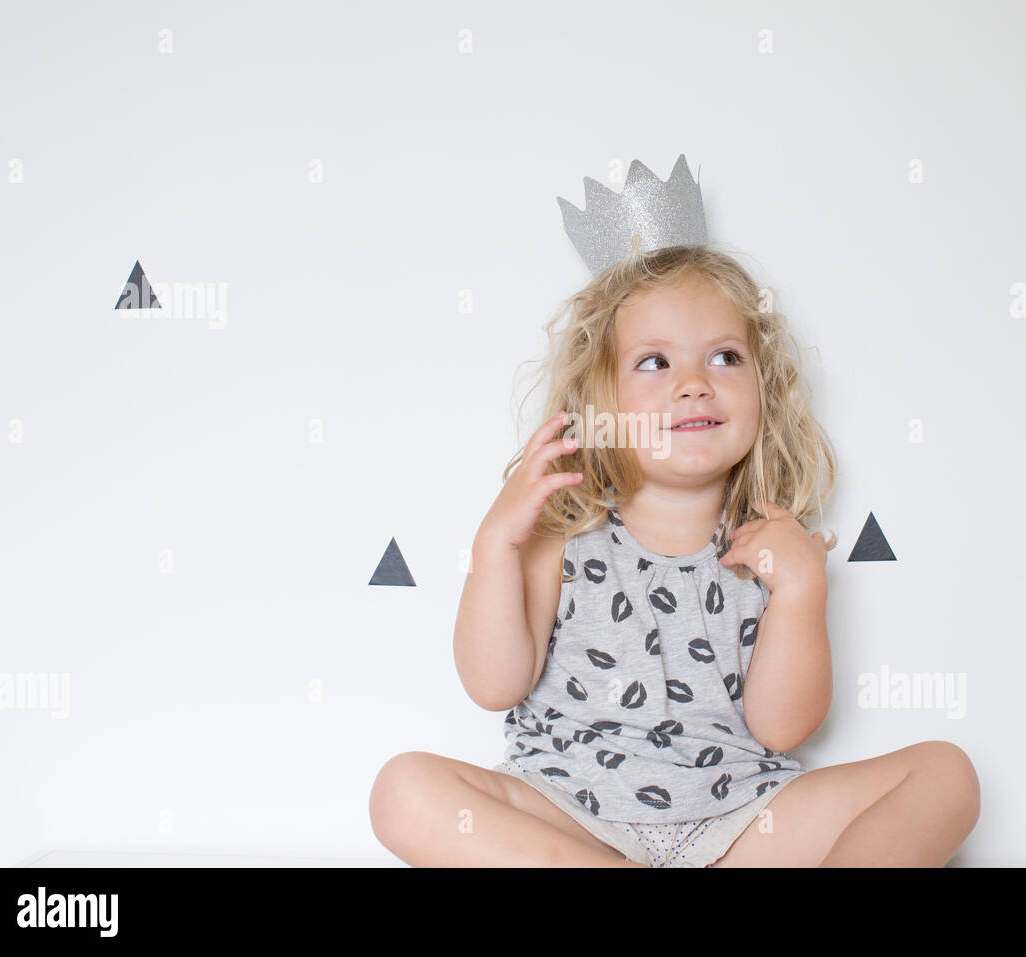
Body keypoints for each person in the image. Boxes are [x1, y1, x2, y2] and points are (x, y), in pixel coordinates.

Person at [370, 156, 979, 867]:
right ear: (601, 398)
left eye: (724, 357)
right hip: (571, 821)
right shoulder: (556, 535)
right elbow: (493, 683)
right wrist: (494, 546)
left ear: (764, 386)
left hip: (740, 826)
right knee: (402, 790)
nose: (693, 385)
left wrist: (802, 587)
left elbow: (782, 729)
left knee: (947, 774)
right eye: (655, 363)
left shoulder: (772, 544)